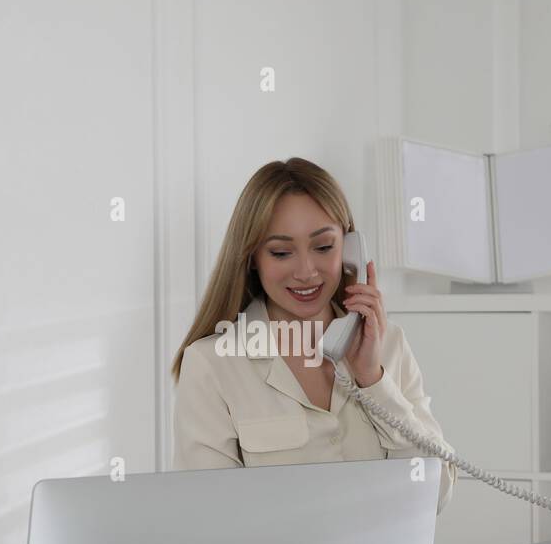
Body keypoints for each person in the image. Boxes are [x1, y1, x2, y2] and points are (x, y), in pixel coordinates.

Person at [170, 157, 456, 514]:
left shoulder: (389, 344)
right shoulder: (212, 364)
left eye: (323, 247)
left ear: (350, 249)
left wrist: (372, 380)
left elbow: (437, 495)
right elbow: (207, 515)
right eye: (281, 252)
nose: (306, 272)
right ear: (252, 257)